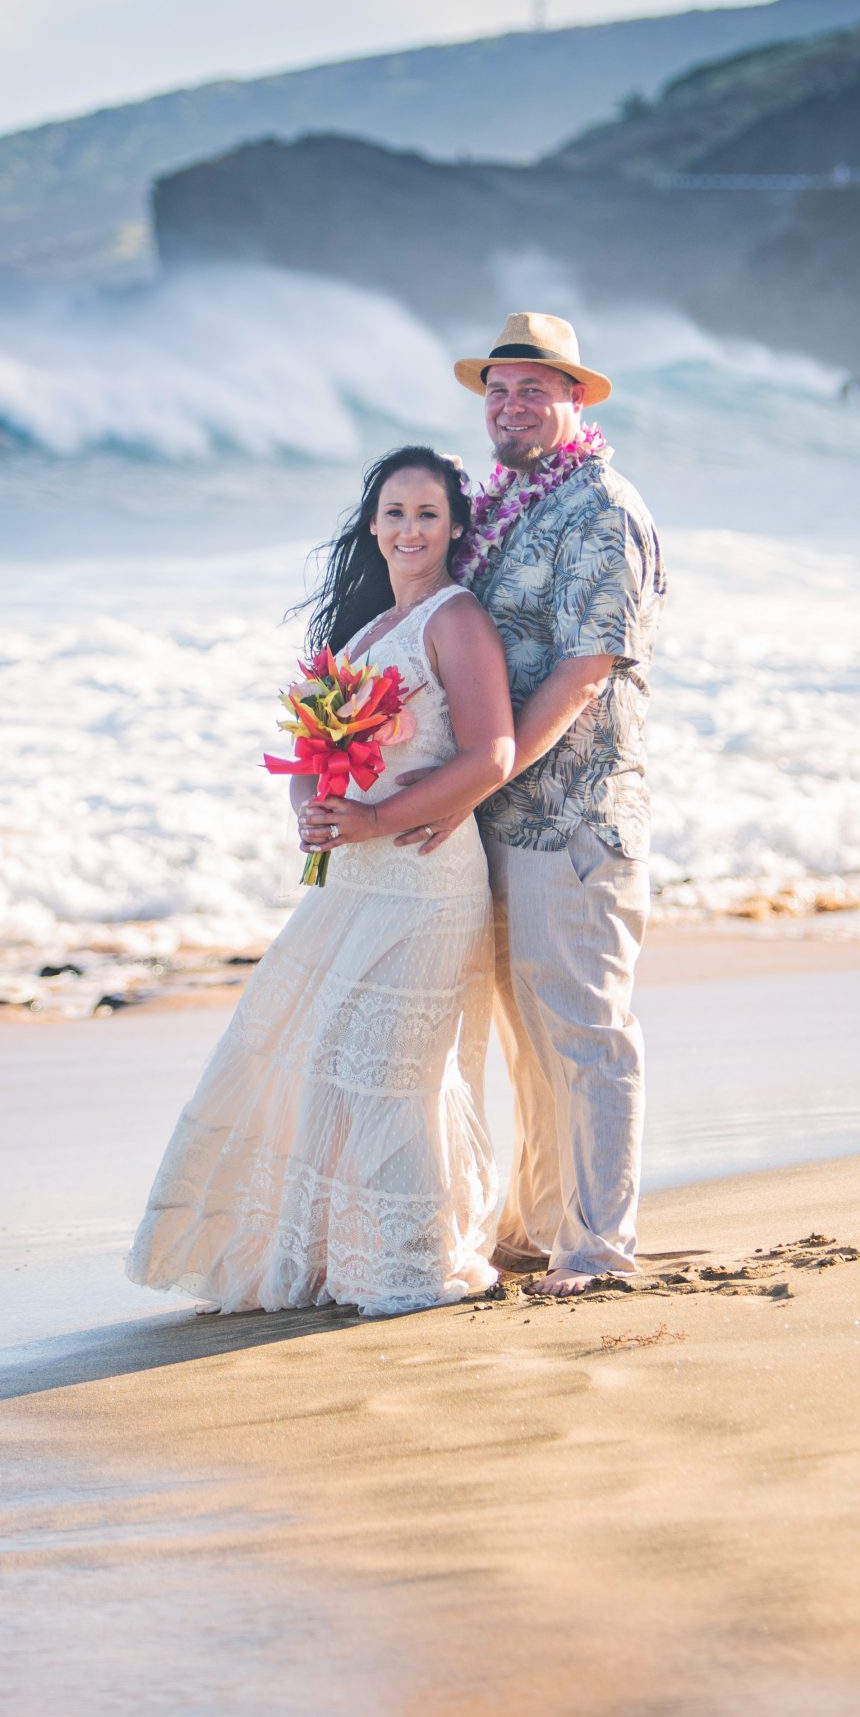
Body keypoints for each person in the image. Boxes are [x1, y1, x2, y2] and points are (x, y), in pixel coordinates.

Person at [126, 446, 514, 1318]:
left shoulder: (455, 620)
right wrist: (311, 808)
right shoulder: (364, 633)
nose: (408, 529)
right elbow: (313, 748)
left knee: (389, 1070)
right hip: (350, 880)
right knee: (323, 1062)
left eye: (426, 513)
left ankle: (405, 1267)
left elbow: (492, 753)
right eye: (393, 512)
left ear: (454, 527)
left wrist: (375, 820)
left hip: (423, 875)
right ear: (371, 524)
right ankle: (336, 1257)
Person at [397, 314, 666, 1299]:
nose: (510, 405)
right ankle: (541, 1222)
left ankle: (600, 1247)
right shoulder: (505, 503)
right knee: (528, 1037)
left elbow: (587, 672)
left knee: (588, 1031)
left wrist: (490, 763)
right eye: (498, 389)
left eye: (533, 389)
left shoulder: (602, 507)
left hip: (575, 817)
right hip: (500, 819)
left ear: (575, 400)